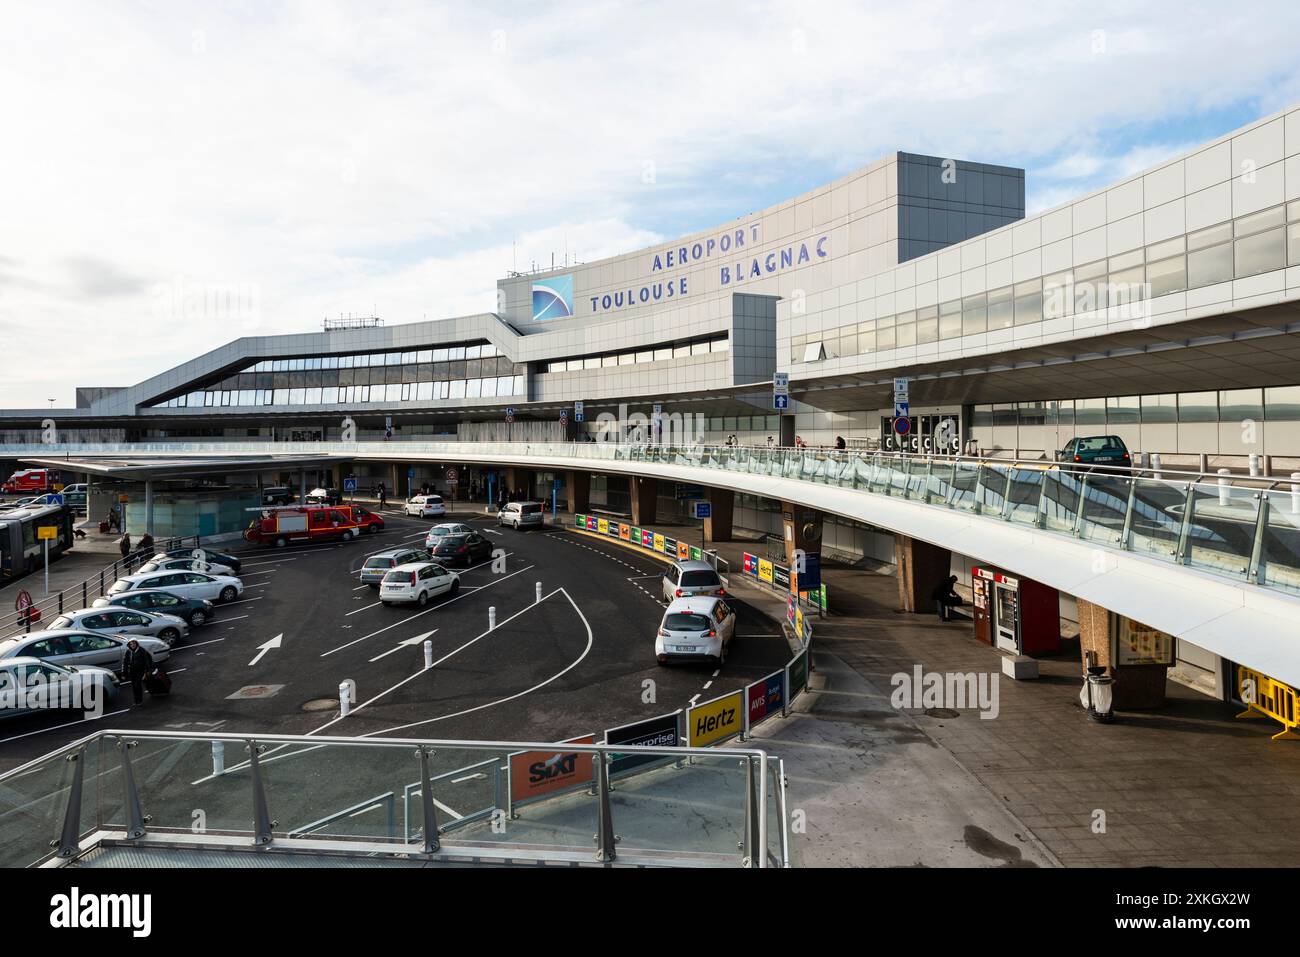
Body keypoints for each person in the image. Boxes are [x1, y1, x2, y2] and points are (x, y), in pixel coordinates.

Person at [122, 638, 154, 706]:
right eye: (131, 644)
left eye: (134, 644)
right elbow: (125, 663)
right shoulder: (128, 652)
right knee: (134, 686)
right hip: (132, 672)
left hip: (140, 671)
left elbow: (147, 661)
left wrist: (147, 671)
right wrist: (124, 673)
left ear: (136, 644)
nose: (132, 645)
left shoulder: (141, 650)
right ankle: (136, 700)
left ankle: (139, 700)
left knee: (137, 685)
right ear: (129, 645)